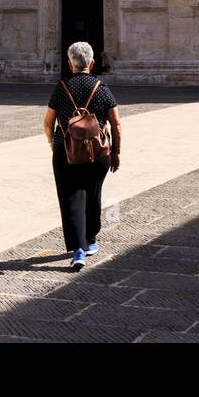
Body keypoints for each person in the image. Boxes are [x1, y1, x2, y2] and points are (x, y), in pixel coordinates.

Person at [44, 41, 122, 271]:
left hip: (65, 152)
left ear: (70, 64)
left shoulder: (61, 88)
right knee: (93, 193)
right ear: (92, 63)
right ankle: (91, 239)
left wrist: (53, 144)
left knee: (71, 198)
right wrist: (116, 152)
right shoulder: (102, 88)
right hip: (97, 153)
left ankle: (78, 248)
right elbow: (116, 123)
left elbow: (48, 122)